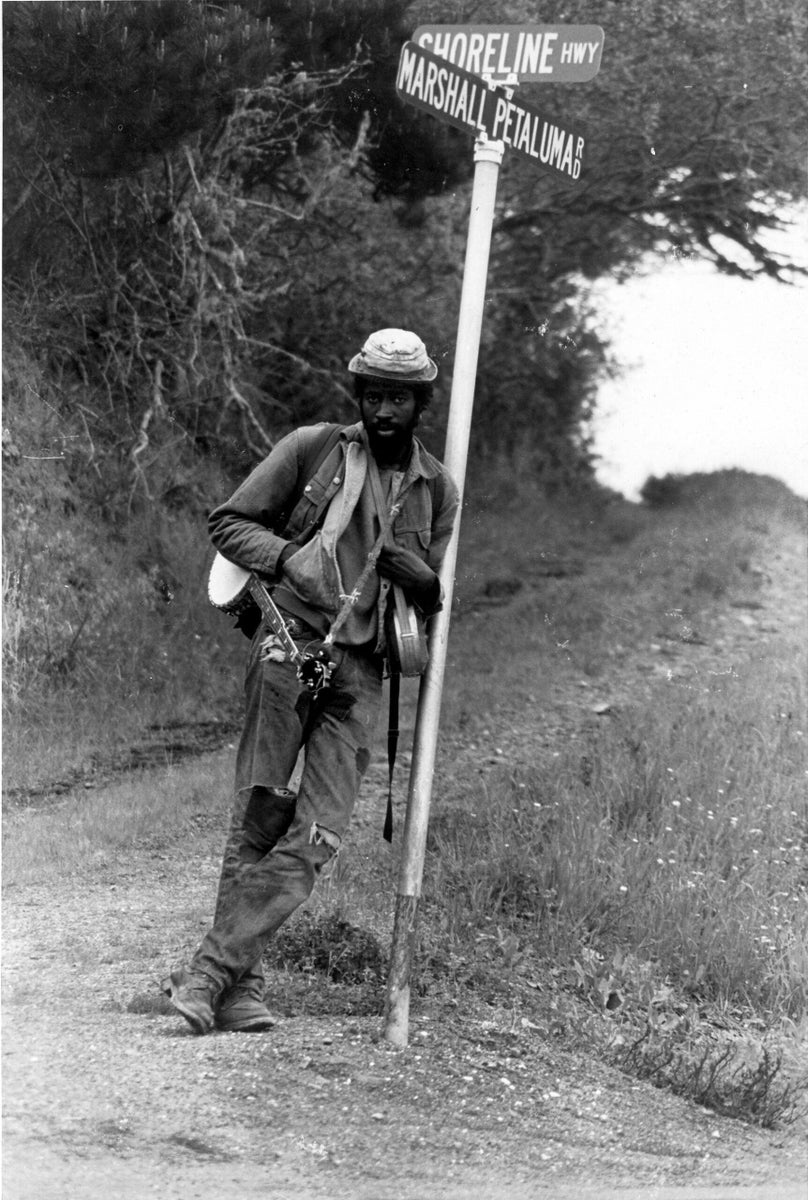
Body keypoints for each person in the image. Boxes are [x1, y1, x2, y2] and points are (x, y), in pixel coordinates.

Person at [162, 328, 459, 1034]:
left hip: (360, 673)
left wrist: (430, 586)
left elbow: (428, 607)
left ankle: (211, 970)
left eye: (401, 397)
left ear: (422, 404)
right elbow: (227, 522)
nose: (386, 410)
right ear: (358, 395)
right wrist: (289, 555)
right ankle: (235, 988)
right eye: (375, 394)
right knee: (260, 814)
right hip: (288, 644)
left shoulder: (438, 491)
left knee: (320, 832)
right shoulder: (312, 448)